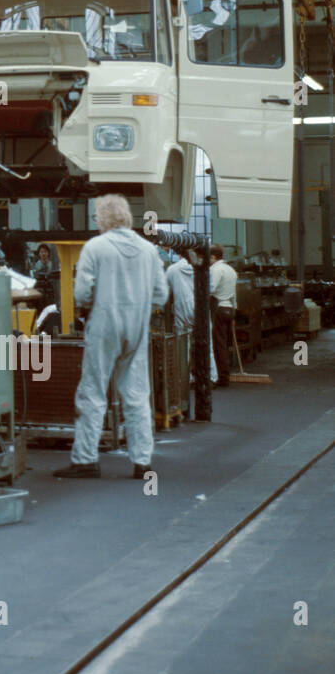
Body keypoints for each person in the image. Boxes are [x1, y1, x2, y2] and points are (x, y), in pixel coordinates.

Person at [53, 194, 167, 480]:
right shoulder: (148, 250)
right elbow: (161, 294)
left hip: (104, 323)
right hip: (137, 326)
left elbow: (81, 292)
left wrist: (88, 307)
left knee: (92, 391)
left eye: (96, 217)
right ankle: (142, 462)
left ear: (103, 218)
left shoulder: (96, 247)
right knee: (137, 393)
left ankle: (86, 460)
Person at [164, 248, 216, 385]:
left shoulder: (172, 270)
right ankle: (210, 377)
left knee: (183, 345)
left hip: (182, 309)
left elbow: (165, 291)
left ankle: (185, 378)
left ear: (179, 254)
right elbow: (211, 289)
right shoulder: (203, 268)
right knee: (206, 345)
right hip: (201, 309)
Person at [208, 244, 238, 384]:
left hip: (218, 308)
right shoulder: (230, 270)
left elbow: (210, 289)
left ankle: (222, 376)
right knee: (224, 342)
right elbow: (234, 294)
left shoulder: (216, 270)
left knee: (218, 343)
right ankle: (224, 373)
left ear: (213, 257)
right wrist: (234, 311)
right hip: (229, 308)